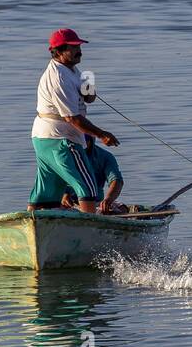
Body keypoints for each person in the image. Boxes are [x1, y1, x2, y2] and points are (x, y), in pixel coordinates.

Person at [27, 28, 122, 214]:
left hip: (43, 138)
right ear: (60, 51)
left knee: (48, 189)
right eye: (74, 47)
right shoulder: (58, 76)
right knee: (88, 188)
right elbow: (71, 117)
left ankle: (33, 224)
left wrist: (89, 85)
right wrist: (102, 135)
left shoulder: (71, 69)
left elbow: (88, 99)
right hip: (61, 138)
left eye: (79, 46)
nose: (79, 51)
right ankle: (91, 229)